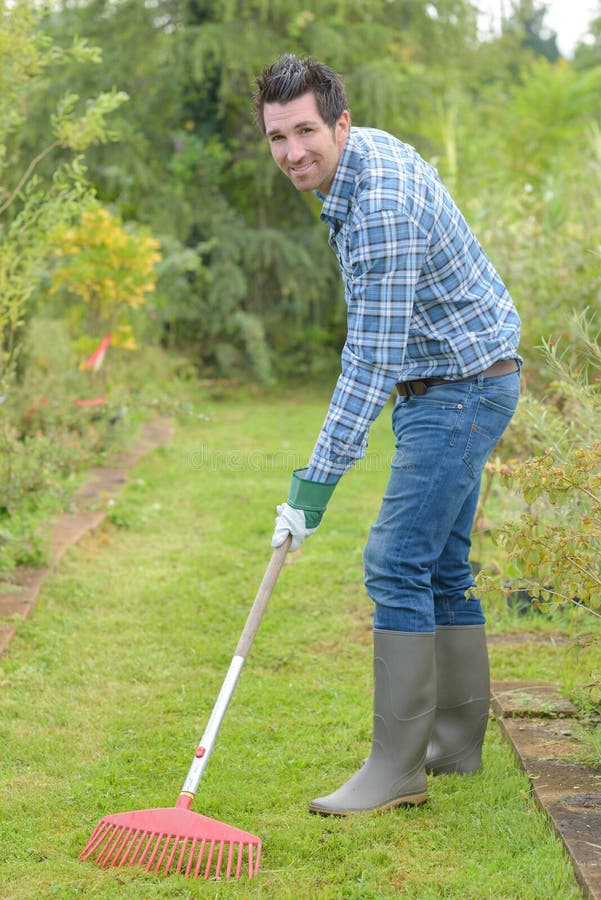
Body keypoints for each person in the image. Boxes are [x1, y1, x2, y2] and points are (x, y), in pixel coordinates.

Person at [254, 55, 521, 817]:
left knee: (394, 559)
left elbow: (370, 360)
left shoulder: (379, 209)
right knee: (438, 562)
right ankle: (455, 745)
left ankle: (395, 769)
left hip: (462, 389)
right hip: (463, 375)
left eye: (305, 131)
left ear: (338, 122)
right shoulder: (357, 158)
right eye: (278, 137)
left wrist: (311, 490)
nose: (293, 152)